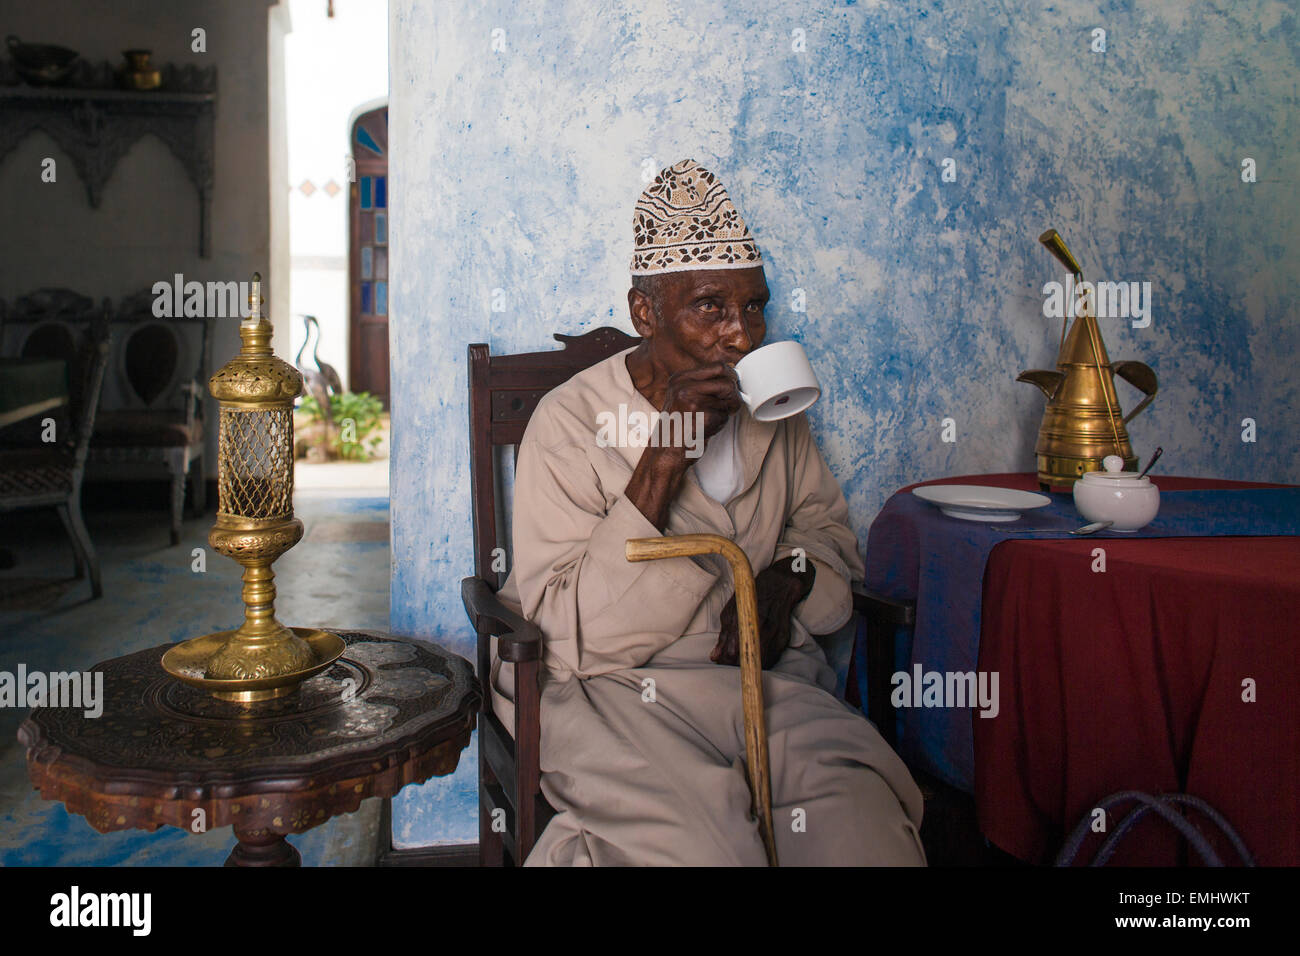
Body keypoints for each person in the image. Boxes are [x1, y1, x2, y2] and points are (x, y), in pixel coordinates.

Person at [494, 158, 925, 865]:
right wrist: (666, 456)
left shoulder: (775, 413)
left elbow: (823, 533)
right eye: (709, 308)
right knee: (708, 846)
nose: (742, 336)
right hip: (611, 691)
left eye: (753, 306)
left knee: (862, 826)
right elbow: (565, 635)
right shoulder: (569, 420)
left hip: (755, 677)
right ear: (645, 313)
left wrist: (788, 580)